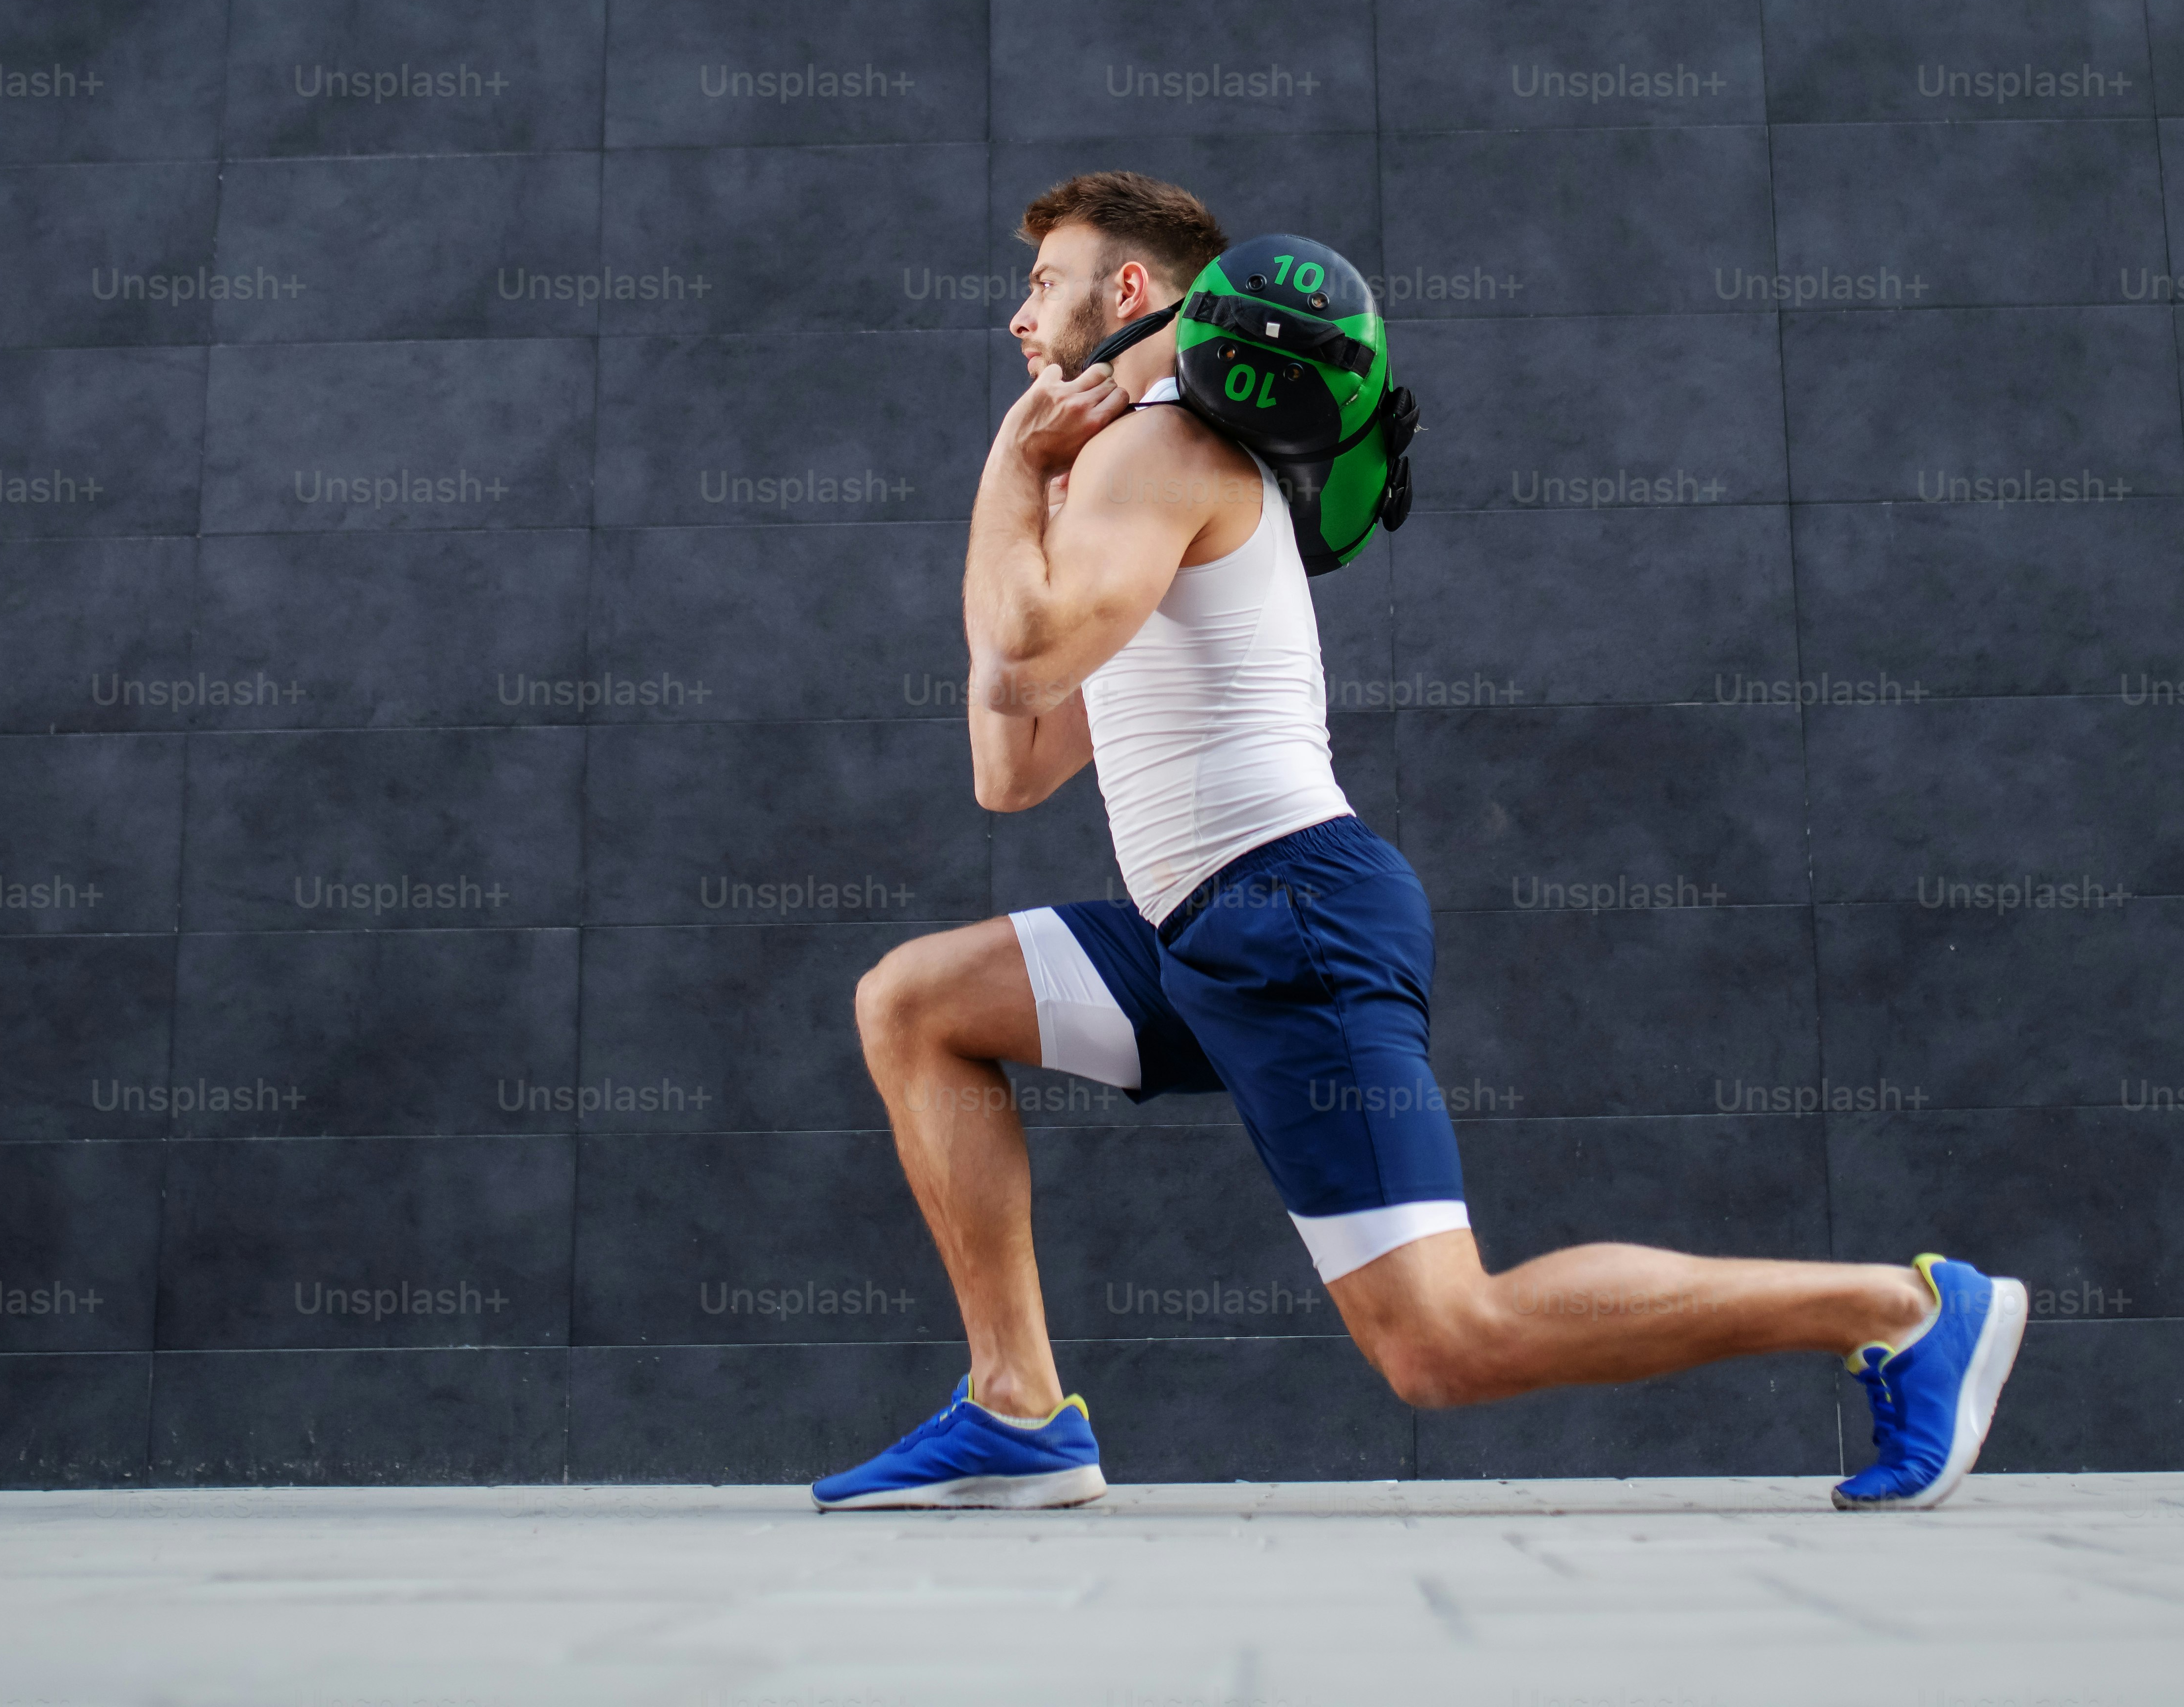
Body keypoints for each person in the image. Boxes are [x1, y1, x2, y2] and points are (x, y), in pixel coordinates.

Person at [813, 171, 2023, 1511]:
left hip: (1290, 919)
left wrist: (1007, 464)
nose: (1016, 316)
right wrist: (1028, 497)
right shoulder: (1117, 475)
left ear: (1134, 293)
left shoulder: (1157, 455)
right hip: (1207, 935)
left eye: (1045, 282)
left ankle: (1906, 1310)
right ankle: (1017, 1410)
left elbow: (1025, 659)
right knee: (920, 1002)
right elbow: (1011, 765)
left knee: (1447, 1342)